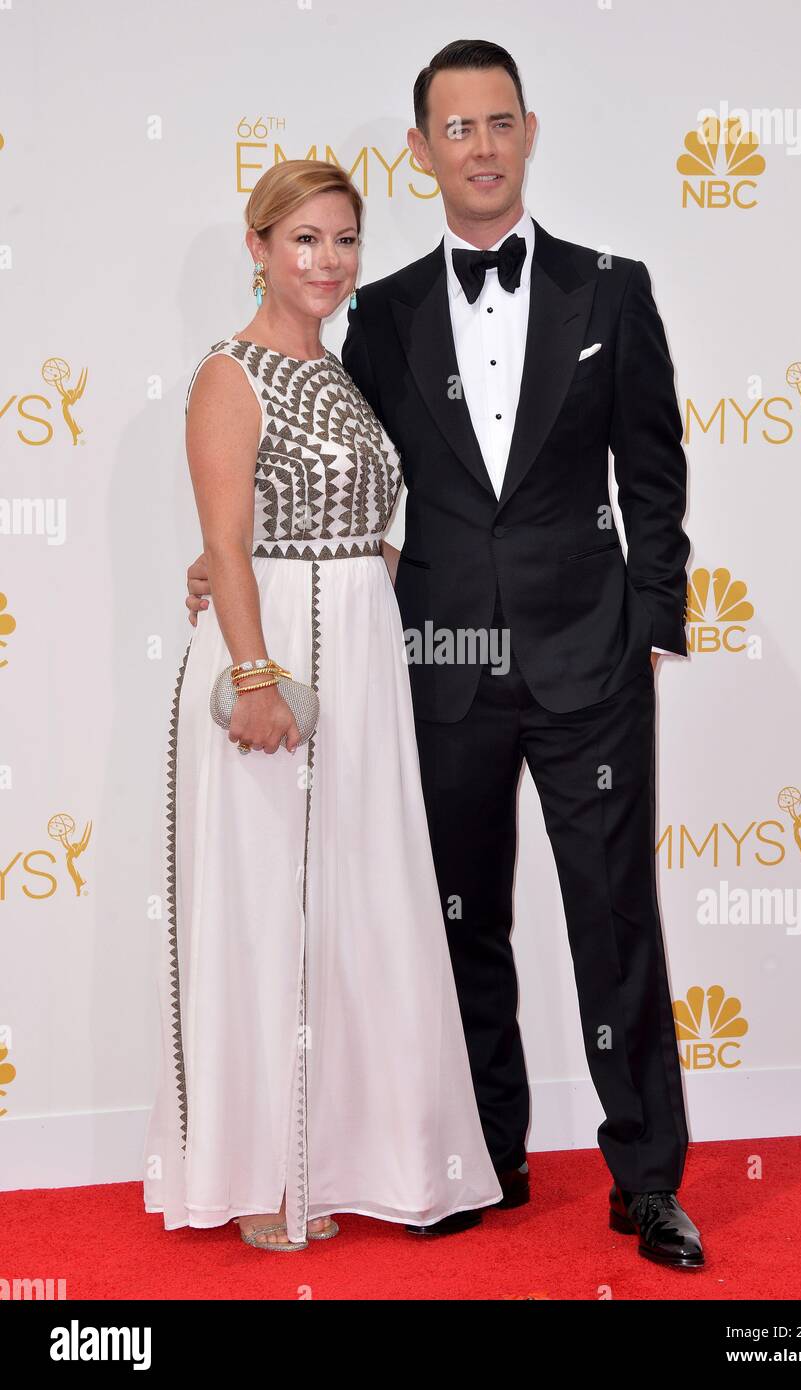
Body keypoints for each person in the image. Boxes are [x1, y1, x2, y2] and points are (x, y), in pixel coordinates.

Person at [187, 39, 704, 1269]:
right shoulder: (382, 312)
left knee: (614, 922)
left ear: (527, 131)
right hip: (436, 665)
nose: (477, 147)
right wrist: (227, 556)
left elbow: (656, 472)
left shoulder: (611, 289)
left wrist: (648, 629)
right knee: (456, 924)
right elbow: (332, 469)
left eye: (495, 123)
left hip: (590, 668)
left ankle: (647, 1181)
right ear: (420, 152)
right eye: (452, 130)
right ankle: (488, 1159)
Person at [143, 158, 503, 1251]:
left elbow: (387, 513)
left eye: (343, 239)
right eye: (303, 239)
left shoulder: (345, 374)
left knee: (352, 898)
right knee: (266, 905)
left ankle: (349, 1155)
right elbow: (225, 543)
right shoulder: (227, 373)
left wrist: (360, 592)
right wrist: (255, 674)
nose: (327, 261)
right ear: (257, 246)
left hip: (355, 652)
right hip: (275, 662)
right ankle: (260, 1173)